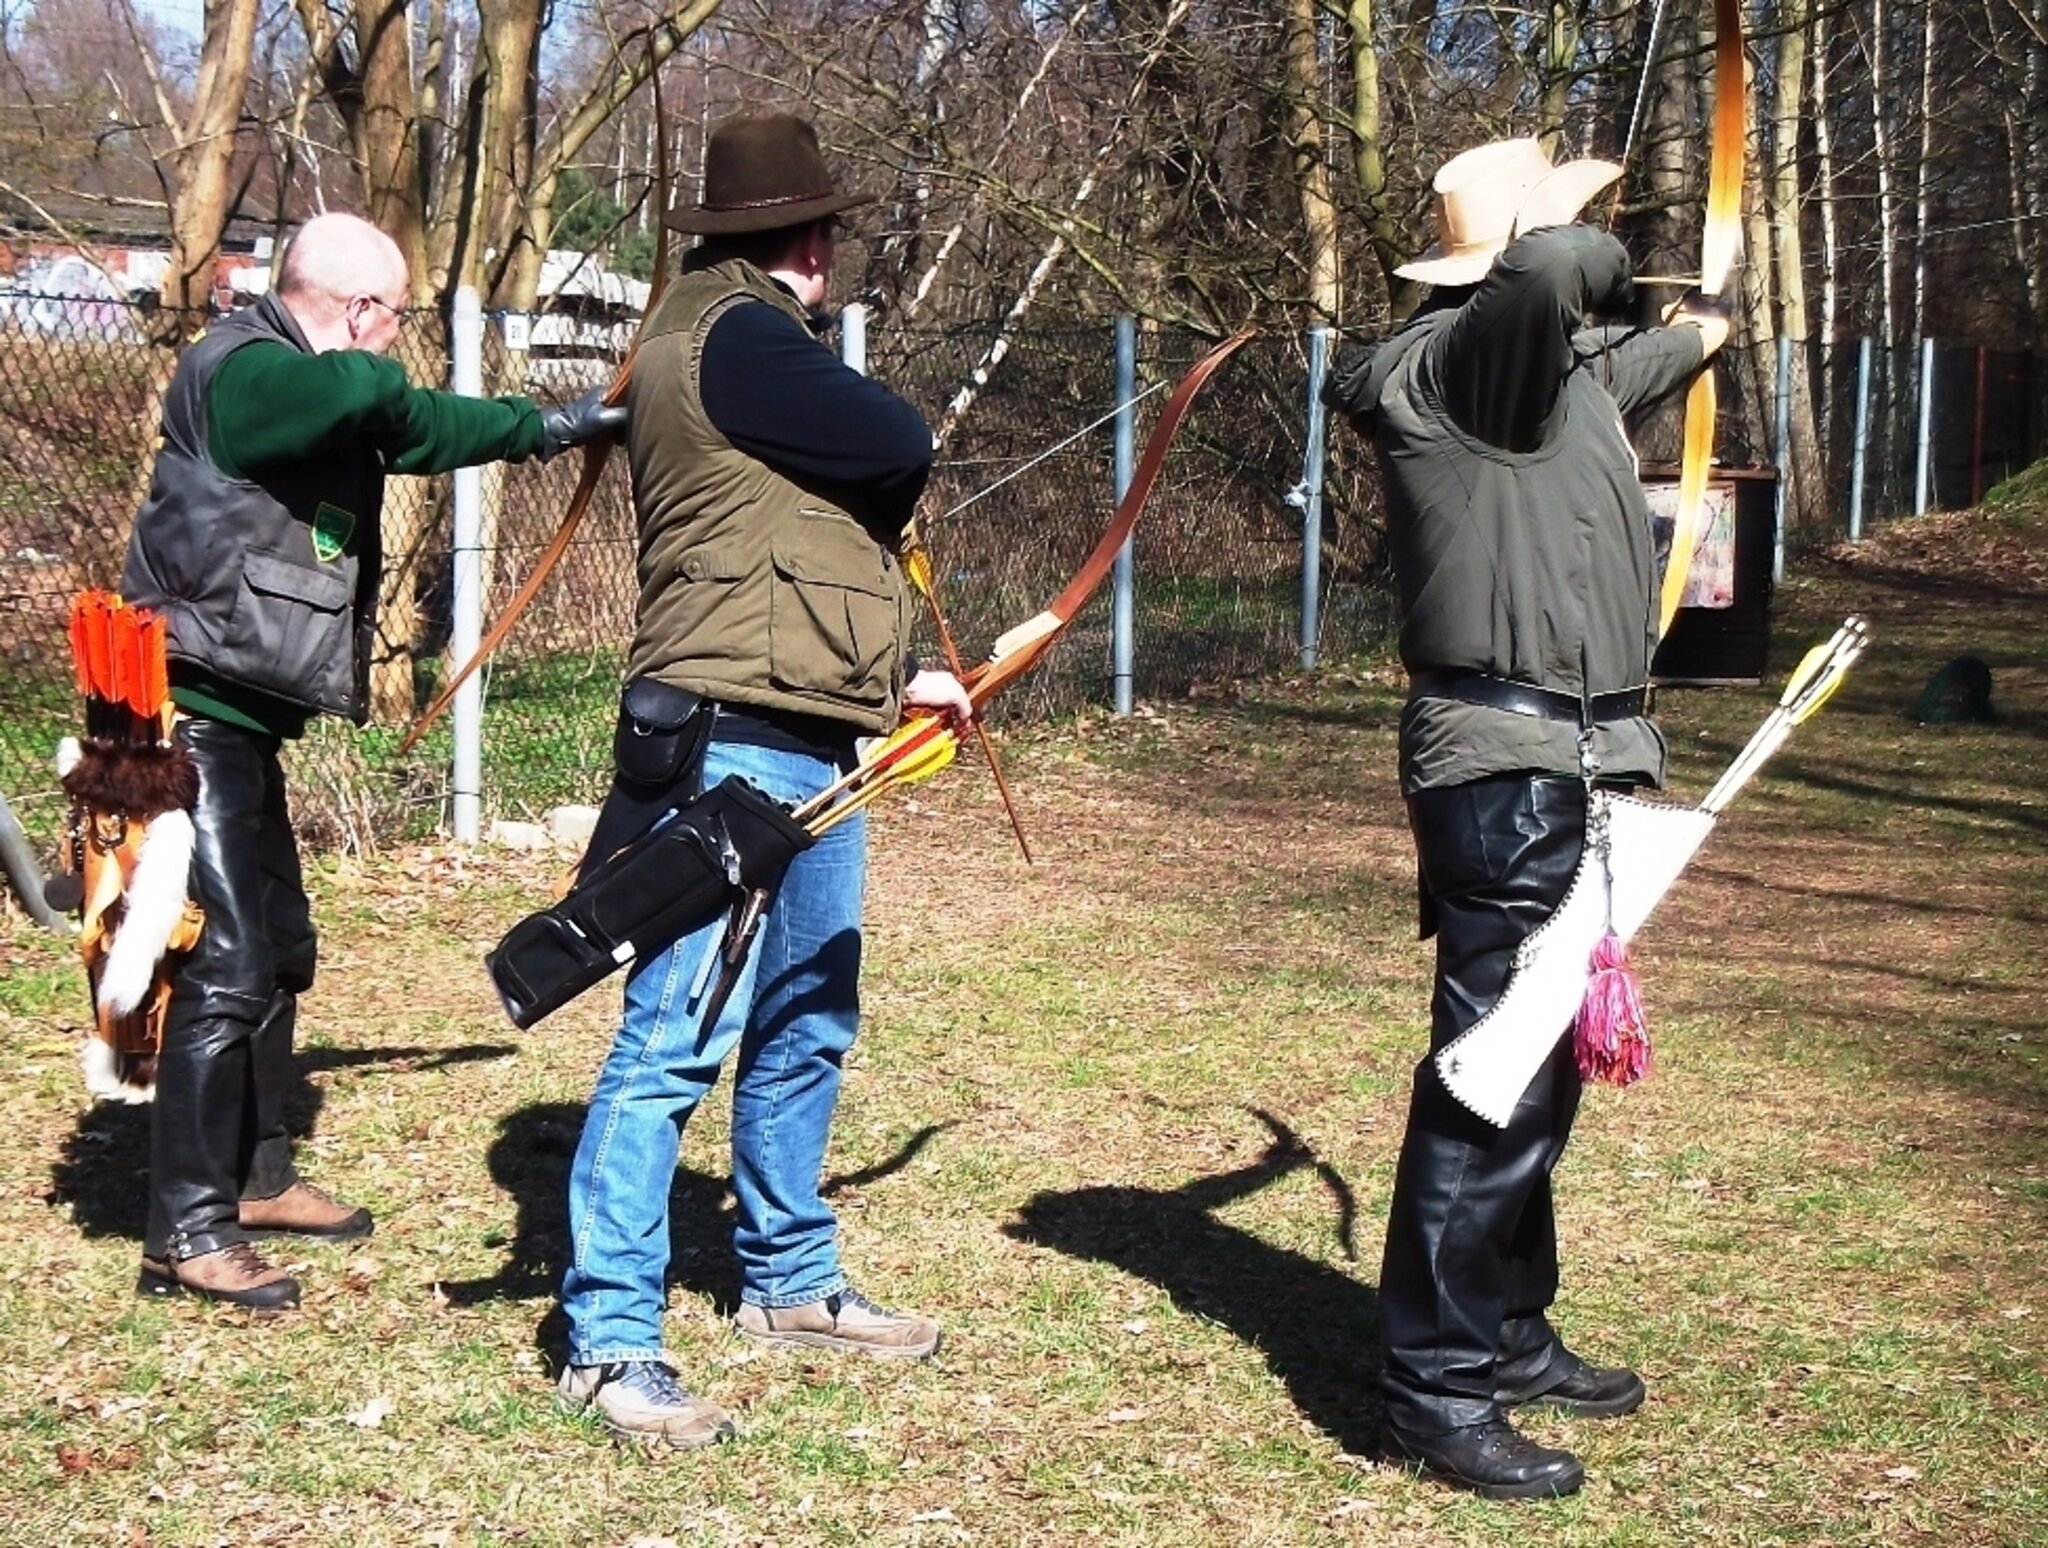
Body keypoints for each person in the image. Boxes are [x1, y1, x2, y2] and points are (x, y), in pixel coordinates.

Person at [552, 113, 974, 1451]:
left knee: (807, 1008)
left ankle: (789, 1281)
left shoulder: (730, 337)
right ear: (808, 237)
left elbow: (794, 540)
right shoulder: (736, 333)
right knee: (675, 1035)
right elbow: (896, 441)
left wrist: (901, 677)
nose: (831, 250)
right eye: (825, 230)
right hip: (728, 739)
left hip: (801, 727)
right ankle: (610, 1341)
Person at [1322, 138, 1732, 1500]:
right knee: (1491, 1077)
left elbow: (1647, 356)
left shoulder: (1543, 385)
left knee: (1541, 1067)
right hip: (1509, 770)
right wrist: (1570, 231)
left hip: (1572, 759)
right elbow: (1559, 271)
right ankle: (1434, 1388)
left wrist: (1706, 317)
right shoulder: (1463, 367)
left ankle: (1502, 1330)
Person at [120, 212, 625, 1311]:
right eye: (393, 316)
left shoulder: (306, 383)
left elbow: (416, 422)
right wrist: (383, 376)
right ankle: (186, 1233)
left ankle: (256, 1179)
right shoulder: (250, 371)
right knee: (225, 962)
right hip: (185, 721)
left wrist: (548, 426)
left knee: (279, 950)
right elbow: (369, 398)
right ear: (356, 312)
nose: (398, 337)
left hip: (237, 726)